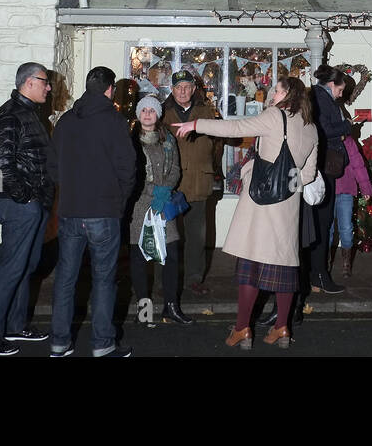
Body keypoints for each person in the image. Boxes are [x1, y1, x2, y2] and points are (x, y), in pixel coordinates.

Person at [174, 76, 319, 350]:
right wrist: (286, 184)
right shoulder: (311, 128)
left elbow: (236, 126)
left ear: (287, 94)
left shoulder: (275, 115)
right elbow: (309, 174)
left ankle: (242, 329)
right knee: (284, 269)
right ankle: (282, 328)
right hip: (287, 207)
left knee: (251, 269)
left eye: (277, 90)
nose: (273, 94)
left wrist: (195, 124)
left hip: (261, 206)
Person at [49, 66, 137, 358]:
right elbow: (128, 169)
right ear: (110, 89)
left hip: (70, 211)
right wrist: (118, 203)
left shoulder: (65, 122)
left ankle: (59, 341)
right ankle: (102, 344)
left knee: (65, 278)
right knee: (103, 280)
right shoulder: (114, 121)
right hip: (103, 212)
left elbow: (52, 168)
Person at [0, 62, 56, 356]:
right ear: (29, 82)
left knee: (26, 266)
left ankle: (15, 325)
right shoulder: (11, 115)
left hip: (33, 205)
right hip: (21, 205)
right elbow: (0, 165)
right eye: (45, 81)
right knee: (11, 269)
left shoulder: (31, 115)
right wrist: (24, 198)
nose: (49, 87)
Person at [128, 95, 193, 326]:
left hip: (163, 206)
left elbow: (175, 168)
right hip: (138, 207)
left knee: (172, 255)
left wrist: (165, 190)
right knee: (139, 258)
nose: (147, 114)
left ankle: (171, 307)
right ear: (138, 114)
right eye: (143, 110)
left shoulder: (167, 139)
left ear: (158, 114)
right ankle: (144, 311)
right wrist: (153, 190)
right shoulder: (130, 139)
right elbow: (130, 174)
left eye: (152, 111)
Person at [161, 69, 222, 296]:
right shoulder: (163, 114)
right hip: (171, 185)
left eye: (187, 86)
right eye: (178, 87)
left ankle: (194, 278)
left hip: (198, 181)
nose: (183, 91)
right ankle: (165, 279)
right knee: (168, 235)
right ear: (172, 90)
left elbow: (219, 144)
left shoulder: (207, 112)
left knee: (197, 236)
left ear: (194, 89)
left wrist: (214, 170)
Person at [308, 64, 354, 294]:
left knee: (320, 222)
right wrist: (347, 125)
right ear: (331, 85)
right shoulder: (321, 99)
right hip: (325, 166)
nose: (341, 94)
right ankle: (319, 274)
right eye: (340, 90)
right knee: (322, 222)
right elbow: (325, 129)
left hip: (325, 165)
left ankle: (317, 274)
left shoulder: (320, 98)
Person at [331, 87, 372, 281]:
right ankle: (326, 263)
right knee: (329, 230)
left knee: (346, 228)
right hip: (328, 192)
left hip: (346, 191)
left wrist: (366, 188)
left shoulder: (349, 143)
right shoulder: (325, 142)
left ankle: (346, 263)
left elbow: (358, 166)